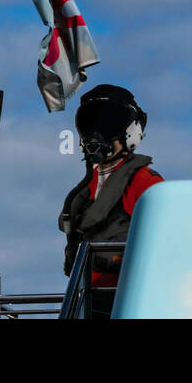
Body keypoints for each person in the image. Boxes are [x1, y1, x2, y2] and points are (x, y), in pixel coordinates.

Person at [58, 84, 163, 314]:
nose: (97, 133)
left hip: (125, 300)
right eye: (91, 125)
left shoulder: (145, 183)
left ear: (130, 131)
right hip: (87, 300)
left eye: (107, 124)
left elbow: (163, 245)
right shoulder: (85, 191)